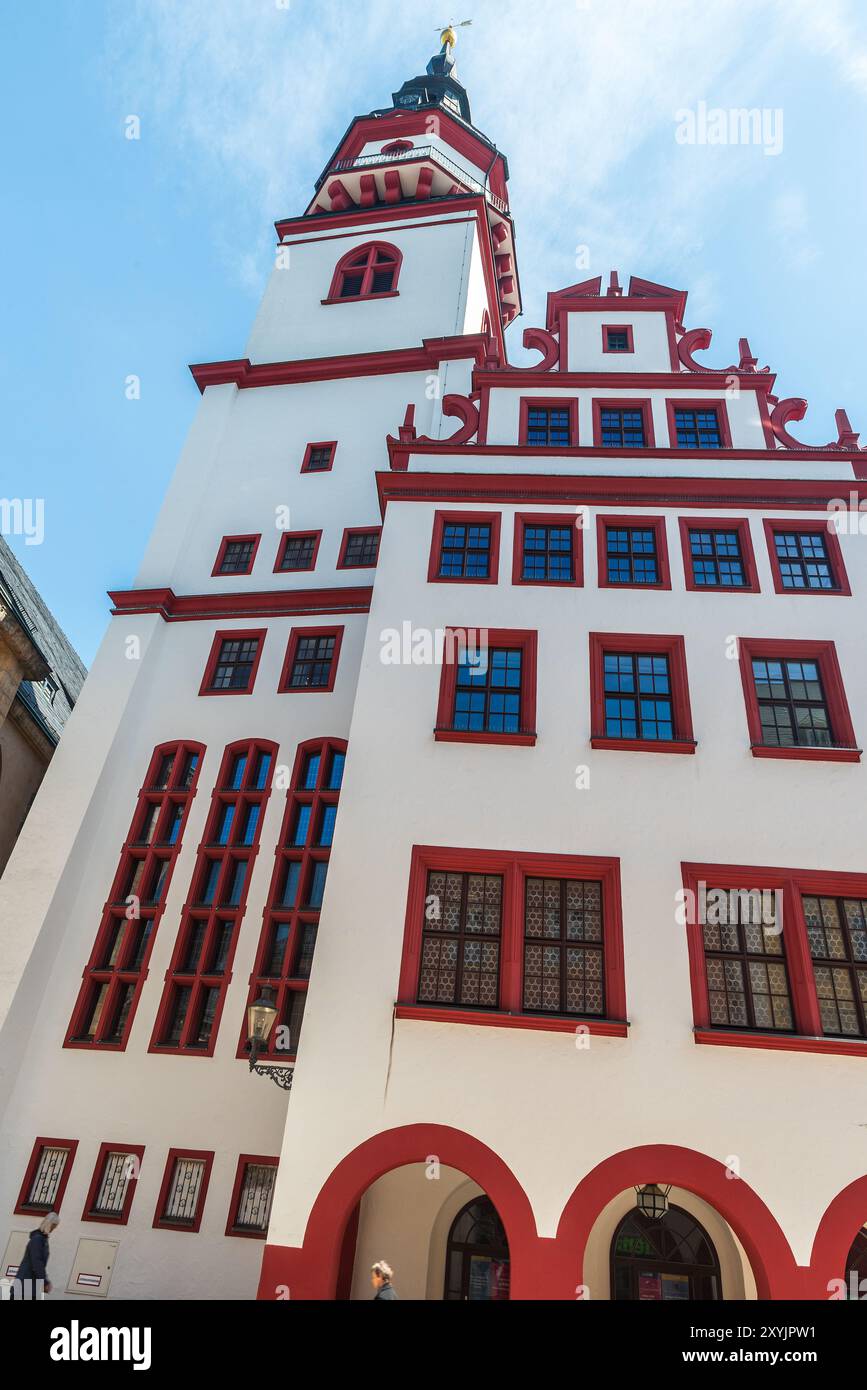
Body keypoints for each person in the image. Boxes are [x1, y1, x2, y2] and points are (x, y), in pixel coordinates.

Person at [14, 1212, 59, 1298]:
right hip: (25, 1285)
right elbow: (37, 1262)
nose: (54, 1229)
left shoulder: (42, 1239)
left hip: (30, 1285)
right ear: (50, 1225)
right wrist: (45, 1282)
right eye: (54, 1226)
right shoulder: (38, 1239)